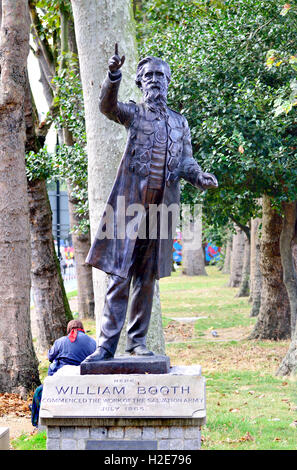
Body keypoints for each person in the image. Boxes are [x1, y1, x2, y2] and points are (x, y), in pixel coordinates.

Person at [84, 44, 218, 362]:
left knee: (145, 280)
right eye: (149, 76)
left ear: (168, 82)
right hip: (129, 208)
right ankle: (106, 345)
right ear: (141, 83)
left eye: (160, 75)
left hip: (160, 211)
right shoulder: (133, 113)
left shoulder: (179, 123)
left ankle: (137, 342)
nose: (155, 80)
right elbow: (107, 106)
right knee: (118, 276)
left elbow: (186, 161)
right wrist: (113, 74)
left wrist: (200, 177)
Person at [30, 320, 96, 427]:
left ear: (69, 329)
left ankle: (36, 423)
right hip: (84, 380)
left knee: (39, 391)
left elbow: (51, 357)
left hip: (62, 379)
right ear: (82, 329)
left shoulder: (61, 341)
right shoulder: (93, 342)